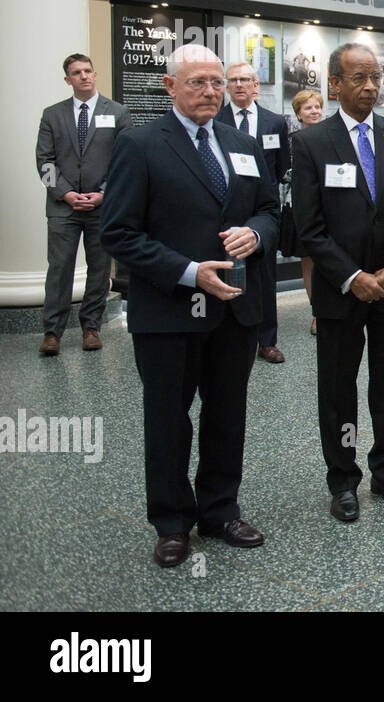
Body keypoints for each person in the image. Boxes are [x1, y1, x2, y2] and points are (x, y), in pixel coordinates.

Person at [101, 44, 279, 568]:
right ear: (170, 87)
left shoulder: (241, 143)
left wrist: (257, 233)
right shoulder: (140, 145)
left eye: (216, 83)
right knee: (168, 420)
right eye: (197, 82)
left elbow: (271, 209)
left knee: (227, 413)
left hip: (234, 311)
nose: (209, 92)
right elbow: (119, 232)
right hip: (169, 311)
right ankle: (172, 521)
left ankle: (221, 510)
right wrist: (188, 272)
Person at [291, 43, 384, 521]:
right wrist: (352, 277)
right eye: (358, 78)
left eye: (376, 77)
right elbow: (308, 228)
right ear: (334, 83)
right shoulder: (311, 143)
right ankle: (343, 480)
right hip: (339, 291)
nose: (371, 86)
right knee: (338, 388)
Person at [35, 53, 131, 356]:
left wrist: (104, 192)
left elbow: (124, 161)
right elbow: (45, 161)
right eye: (76, 73)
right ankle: (52, 332)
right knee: (59, 269)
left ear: (95, 73)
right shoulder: (53, 114)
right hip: (63, 207)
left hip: (102, 206)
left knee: (99, 268)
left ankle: (91, 327)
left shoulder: (117, 112)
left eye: (88, 70)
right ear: (68, 80)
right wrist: (64, 193)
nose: (83, 76)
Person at [217, 62, 291, 363]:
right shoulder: (217, 119)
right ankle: (228, 334)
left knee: (264, 277)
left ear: (255, 84)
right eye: (232, 80)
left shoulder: (275, 122)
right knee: (223, 270)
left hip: (262, 213)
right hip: (226, 209)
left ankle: (267, 339)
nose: (238, 85)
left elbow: (281, 165)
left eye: (244, 79)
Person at [279, 89, 324, 336]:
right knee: (308, 260)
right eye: (308, 108)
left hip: (329, 207)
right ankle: (316, 312)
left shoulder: (330, 136)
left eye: (317, 106)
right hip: (299, 206)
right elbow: (282, 171)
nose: (314, 111)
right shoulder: (291, 141)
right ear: (298, 113)